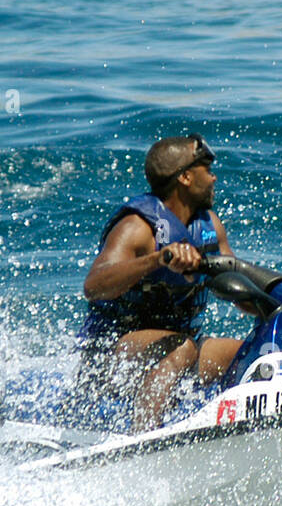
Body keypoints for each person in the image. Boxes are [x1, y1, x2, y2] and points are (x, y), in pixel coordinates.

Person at [76, 134, 246, 431]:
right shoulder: (137, 228)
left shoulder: (209, 225)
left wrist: (275, 303)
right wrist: (156, 260)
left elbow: (238, 288)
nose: (214, 177)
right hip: (112, 358)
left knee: (250, 352)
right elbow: (94, 286)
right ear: (185, 176)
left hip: (180, 352)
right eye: (207, 170)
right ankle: (143, 438)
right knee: (181, 347)